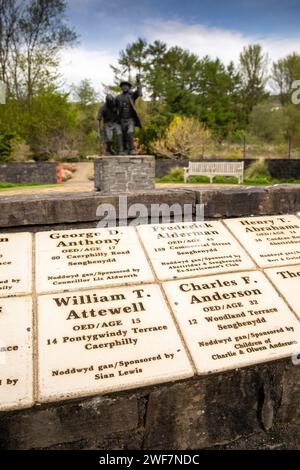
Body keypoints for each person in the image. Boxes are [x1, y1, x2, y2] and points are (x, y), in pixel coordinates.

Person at [115, 74, 142, 155]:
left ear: (129, 87)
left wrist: (138, 81)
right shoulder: (118, 97)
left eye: (126, 86)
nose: (125, 87)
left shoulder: (132, 96)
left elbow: (139, 92)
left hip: (130, 119)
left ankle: (132, 149)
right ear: (121, 87)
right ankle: (124, 150)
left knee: (130, 132)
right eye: (123, 86)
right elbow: (113, 107)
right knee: (123, 135)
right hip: (122, 119)